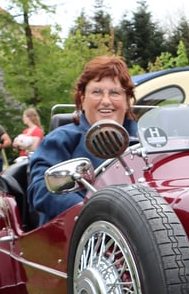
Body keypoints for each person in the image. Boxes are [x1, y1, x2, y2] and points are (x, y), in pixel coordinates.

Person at [27, 55, 138, 225]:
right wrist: (91, 213)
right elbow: (41, 189)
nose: (106, 101)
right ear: (82, 99)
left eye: (115, 92)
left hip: (146, 231)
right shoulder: (61, 140)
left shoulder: (145, 141)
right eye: (97, 92)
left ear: (127, 101)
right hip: (76, 233)